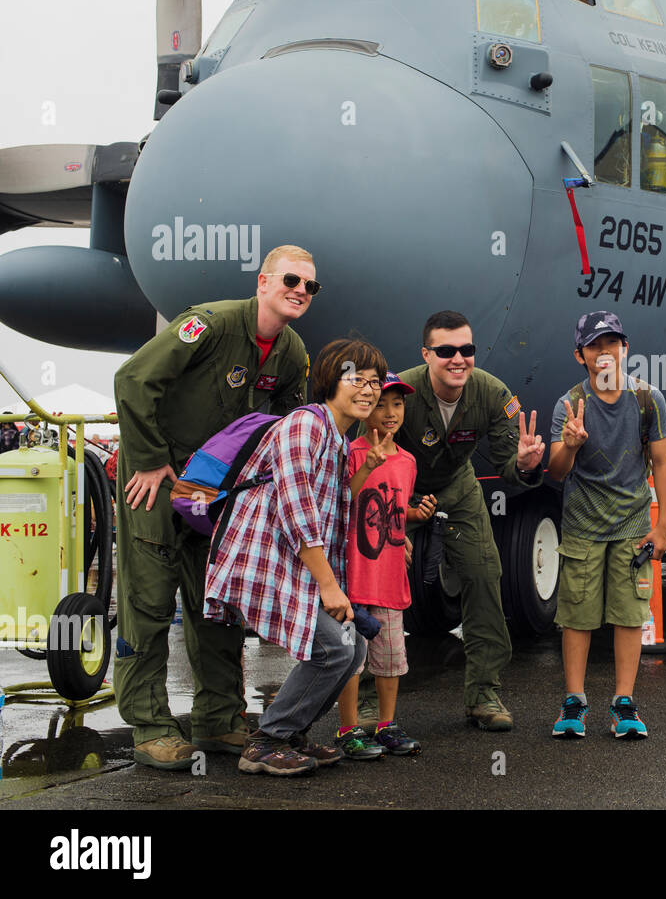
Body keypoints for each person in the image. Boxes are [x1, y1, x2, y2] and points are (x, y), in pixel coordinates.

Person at [112, 245, 316, 770]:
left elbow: (288, 426)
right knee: (150, 603)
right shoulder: (211, 325)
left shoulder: (292, 352)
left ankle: (219, 717)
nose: (300, 291)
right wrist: (153, 461)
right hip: (159, 481)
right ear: (264, 282)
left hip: (217, 494)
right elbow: (134, 379)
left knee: (217, 605)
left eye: (310, 286)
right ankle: (151, 725)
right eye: (291, 280)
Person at [205, 338, 385, 776]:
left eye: (375, 382)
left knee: (351, 644)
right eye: (355, 379)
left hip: (292, 560)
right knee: (334, 648)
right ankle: (267, 740)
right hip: (263, 555)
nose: (367, 390)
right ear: (329, 380)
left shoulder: (337, 439)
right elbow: (297, 508)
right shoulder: (304, 426)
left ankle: (291, 731)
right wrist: (328, 585)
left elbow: (333, 505)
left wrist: (364, 470)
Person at [395, 311, 546, 731]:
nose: (458, 359)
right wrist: (397, 517)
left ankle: (484, 694)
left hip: (458, 488)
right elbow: (374, 456)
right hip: (401, 489)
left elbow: (510, 466)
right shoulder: (401, 393)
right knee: (380, 589)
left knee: (483, 577)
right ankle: (371, 700)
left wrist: (526, 464)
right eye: (446, 351)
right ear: (427, 354)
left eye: (467, 349)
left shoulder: (491, 394)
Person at [547, 312, 666, 739]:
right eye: (595, 346)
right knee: (577, 617)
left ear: (625, 348)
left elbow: (662, 462)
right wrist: (569, 445)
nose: (605, 352)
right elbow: (557, 472)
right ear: (580, 355)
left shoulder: (647, 398)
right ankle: (574, 703)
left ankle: (624, 703)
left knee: (628, 615)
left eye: (612, 343)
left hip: (632, 526)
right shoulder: (568, 404)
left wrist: (664, 526)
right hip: (582, 525)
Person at [334, 372, 436, 759]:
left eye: (397, 404)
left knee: (391, 660)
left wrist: (416, 514)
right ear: (364, 407)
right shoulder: (352, 453)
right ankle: (347, 729)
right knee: (352, 661)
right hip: (355, 578)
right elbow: (344, 501)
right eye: (381, 404)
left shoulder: (408, 462)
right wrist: (366, 466)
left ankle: (386, 725)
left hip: (390, 579)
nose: (390, 412)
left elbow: (391, 511)